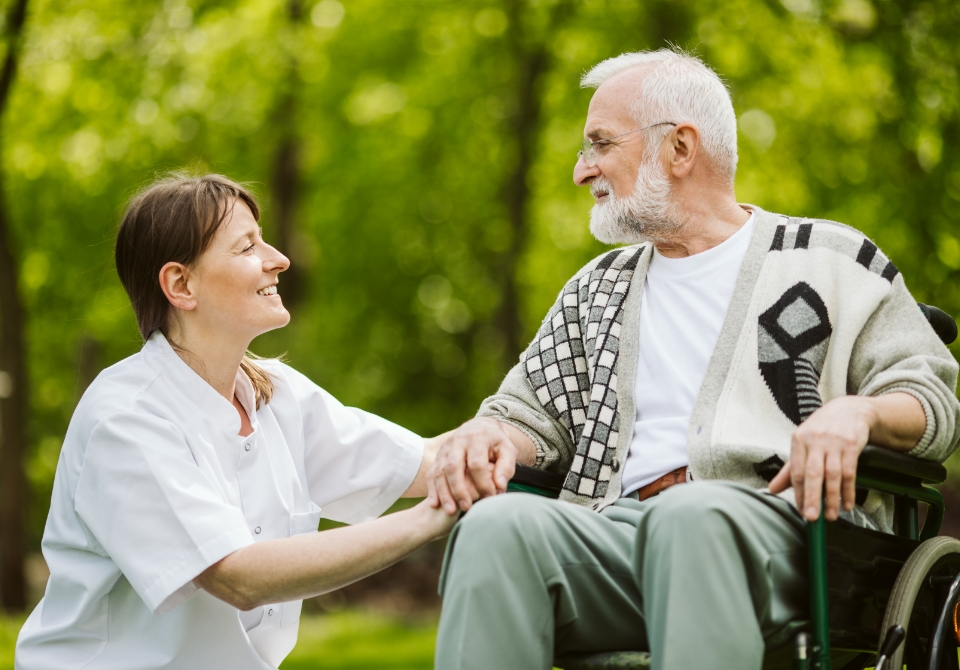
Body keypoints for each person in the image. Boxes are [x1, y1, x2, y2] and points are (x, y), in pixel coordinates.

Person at [427, 49, 960, 670]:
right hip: (617, 532)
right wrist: (487, 433)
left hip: (794, 537)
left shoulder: (830, 261)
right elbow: (527, 416)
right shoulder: (598, 288)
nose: (581, 171)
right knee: (497, 531)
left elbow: (932, 402)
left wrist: (860, 416)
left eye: (599, 144)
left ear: (680, 148)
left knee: (691, 514)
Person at [15, 173, 458, 670]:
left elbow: (431, 460)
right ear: (181, 285)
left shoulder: (278, 394)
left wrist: (533, 424)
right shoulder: (125, 420)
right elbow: (238, 577)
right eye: (248, 247)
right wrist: (435, 515)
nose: (279, 259)